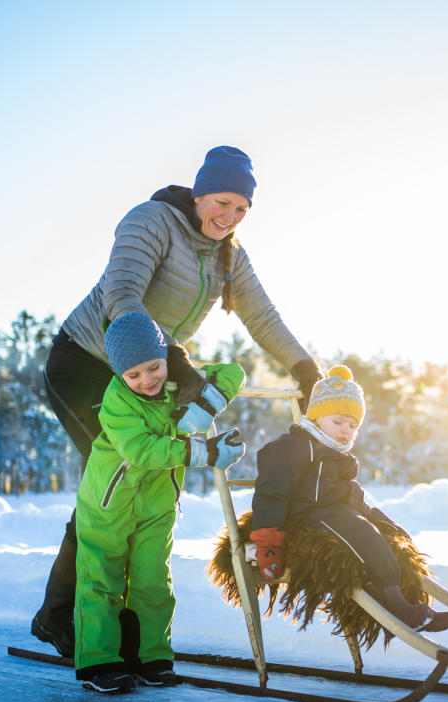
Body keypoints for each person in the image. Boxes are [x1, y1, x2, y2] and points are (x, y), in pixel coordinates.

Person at [33, 146, 322, 657]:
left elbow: (263, 319)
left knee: (138, 494)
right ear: (199, 193)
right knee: (113, 487)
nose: (228, 217)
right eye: (222, 202)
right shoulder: (151, 221)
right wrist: (172, 352)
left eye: (241, 209)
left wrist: (304, 368)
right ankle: (64, 619)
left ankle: (111, 620)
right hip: (86, 363)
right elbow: (121, 294)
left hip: (151, 377)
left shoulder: (230, 255)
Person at [75, 311, 246, 694]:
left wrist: (200, 400)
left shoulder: (174, 380)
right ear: (120, 375)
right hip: (108, 502)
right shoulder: (117, 400)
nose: (146, 380)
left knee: (153, 580)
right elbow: (143, 451)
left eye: (153, 368)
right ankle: (99, 661)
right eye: (133, 375)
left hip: (158, 503)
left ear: (165, 357)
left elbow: (234, 372)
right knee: (102, 578)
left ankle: (151, 657)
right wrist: (202, 451)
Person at [247, 365, 448, 633]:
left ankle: (402, 602)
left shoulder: (338, 456)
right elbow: (271, 492)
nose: (346, 430)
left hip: (332, 515)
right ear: (317, 419)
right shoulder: (295, 446)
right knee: (361, 532)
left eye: (352, 425)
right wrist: (268, 542)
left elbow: (349, 496)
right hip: (304, 517)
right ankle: (400, 607)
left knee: (381, 531)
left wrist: (375, 517)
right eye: (338, 422)